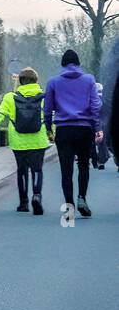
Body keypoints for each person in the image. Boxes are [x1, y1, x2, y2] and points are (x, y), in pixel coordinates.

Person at [0, 68, 49, 214]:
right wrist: (53, 132)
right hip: (38, 140)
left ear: (20, 81)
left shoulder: (10, 98)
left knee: (22, 170)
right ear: (36, 81)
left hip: (18, 141)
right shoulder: (44, 97)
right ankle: (36, 195)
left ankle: (23, 203)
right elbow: (51, 117)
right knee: (37, 169)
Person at [44, 48, 103, 217]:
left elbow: (47, 109)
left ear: (63, 64)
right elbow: (95, 107)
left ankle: (69, 206)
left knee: (66, 169)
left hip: (64, 129)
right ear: (78, 63)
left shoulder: (53, 82)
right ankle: (82, 198)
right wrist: (97, 128)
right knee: (84, 165)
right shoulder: (89, 80)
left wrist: (48, 128)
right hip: (84, 129)